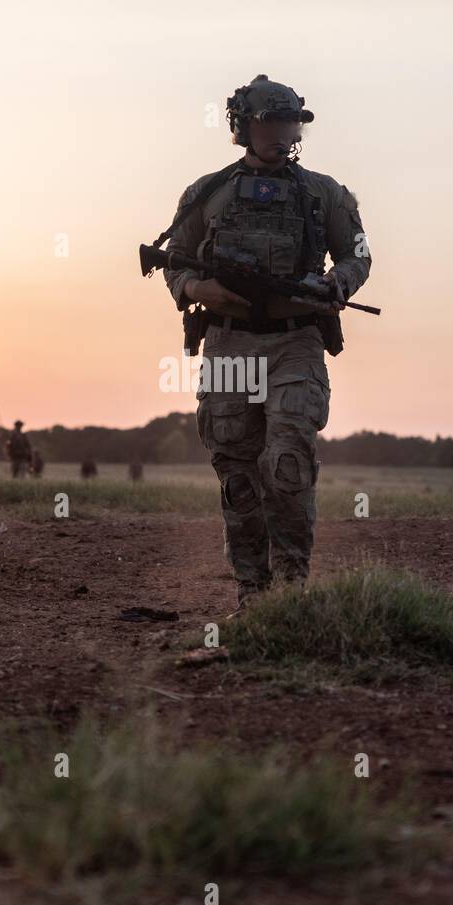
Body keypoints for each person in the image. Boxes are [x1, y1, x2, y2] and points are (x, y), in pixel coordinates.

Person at [161, 75, 371, 612]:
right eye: (269, 124)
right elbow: (174, 258)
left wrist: (339, 282)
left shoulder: (327, 194)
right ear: (243, 128)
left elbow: (360, 254)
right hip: (229, 342)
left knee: (287, 462)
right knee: (236, 471)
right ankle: (252, 595)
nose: (282, 134)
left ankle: (291, 589)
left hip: (294, 341)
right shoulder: (206, 193)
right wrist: (194, 288)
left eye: (290, 124)